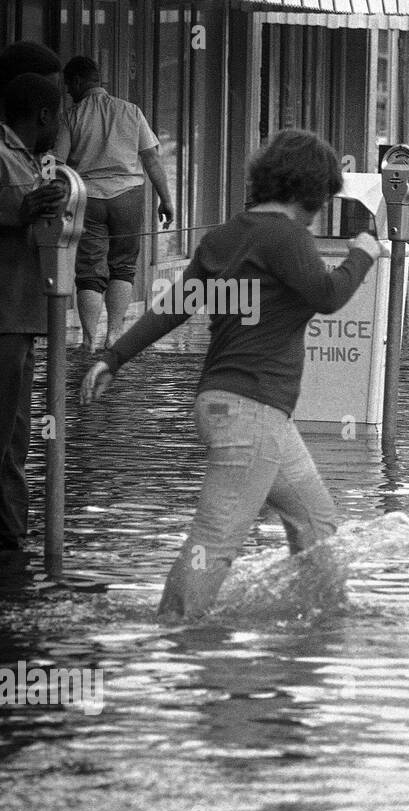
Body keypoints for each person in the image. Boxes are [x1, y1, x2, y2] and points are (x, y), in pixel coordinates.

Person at [80, 129, 381, 620]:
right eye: (325, 195)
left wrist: (112, 357)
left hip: (234, 407)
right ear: (312, 191)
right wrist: (363, 253)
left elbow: (172, 307)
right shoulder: (287, 236)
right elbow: (327, 296)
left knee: (316, 522)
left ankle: (321, 628)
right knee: (215, 540)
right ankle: (175, 633)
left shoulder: (225, 235)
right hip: (252, 413)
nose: (323, 206)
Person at [56, 55, 175, 351]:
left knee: (89, 270)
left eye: (69, 85)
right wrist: (166, 199)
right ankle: (114, 336)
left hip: (88, 198)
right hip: (128, 197)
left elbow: (57, 163)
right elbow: (151, 159)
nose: (68, 92)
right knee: (123, 267)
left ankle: (87, 340)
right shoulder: (131, 112)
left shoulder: (71, 116)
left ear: (79, 81)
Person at [0, 73, 66, 555]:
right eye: (58, 113)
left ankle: (11, 539)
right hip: (6, 316)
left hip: (22, 317)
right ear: (43, 114)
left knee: (16, 442)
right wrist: (22, 209)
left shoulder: (27, 159)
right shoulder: (4, 157)